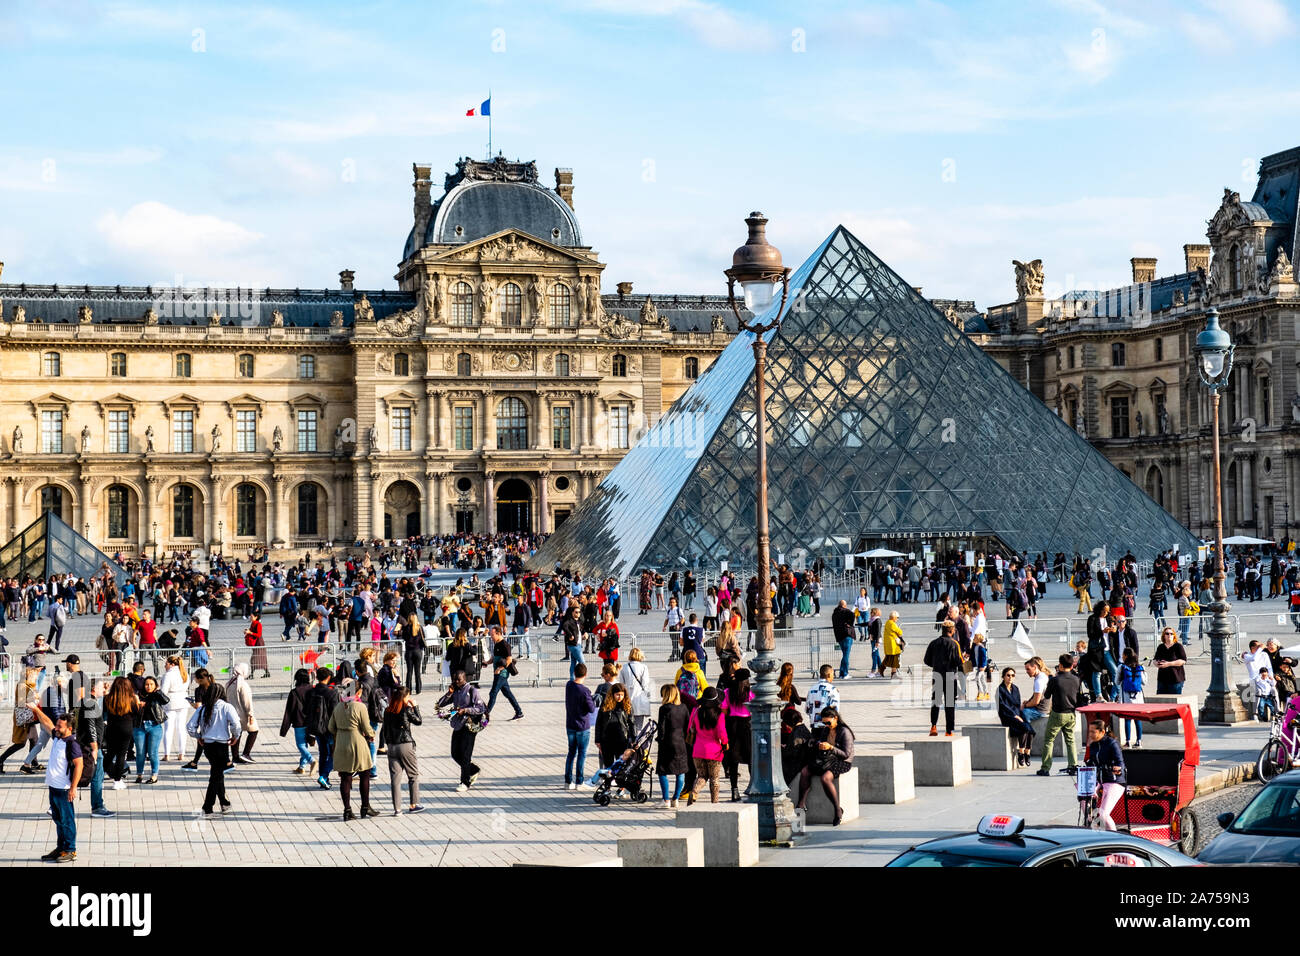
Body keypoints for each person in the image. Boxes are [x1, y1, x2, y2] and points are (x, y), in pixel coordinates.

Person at [30, 700, 82, 862]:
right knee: (59, 820)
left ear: (69, 729)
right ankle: (61, 848)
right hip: (53, 787)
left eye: (60, 726)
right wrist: (36, 710)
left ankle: (70, 850)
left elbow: (79, 765)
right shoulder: (58, 737)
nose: (57, 728)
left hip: (64, 789)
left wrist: (73, 788)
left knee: (67, 820)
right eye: (58, 725)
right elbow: (47, 723)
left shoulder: (72, 744)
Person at [794, 706, 855, 826]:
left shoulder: (844, 732)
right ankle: (801, 804)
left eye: (828, 722)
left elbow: (846, 754)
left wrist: (831, 747)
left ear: (835, 718)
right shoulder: (826, 729)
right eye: (824, 722)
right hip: (826, 759)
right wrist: (818, 744)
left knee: (825, 778)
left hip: (842, 761)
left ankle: (838, 810)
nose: (826, 725)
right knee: (805, 771)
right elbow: (820, 742)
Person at [186, 683, 239, 816]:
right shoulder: (227, 707)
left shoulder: (203, 708)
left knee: (217, 773)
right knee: (215, 776)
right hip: (221, 744)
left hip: (208, 745)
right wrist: (235, 736)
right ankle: (207, 807)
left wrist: (198, 736)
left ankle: (224, 802)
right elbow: (236, 724)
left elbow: (190, 726)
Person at [329, 678, 379, 820]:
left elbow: (330, 727)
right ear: (358, 691)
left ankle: (347, 809)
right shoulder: (359, 707)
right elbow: (366, 727)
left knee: (345, 777)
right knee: (365, 774)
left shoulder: (338, 707)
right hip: (357, 742)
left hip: (341, 743)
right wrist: (371, 735)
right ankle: (365, 806)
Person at [436, 669, 486, 791]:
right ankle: (473, 769)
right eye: (455, 679)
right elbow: (441, 704)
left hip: (469, 726)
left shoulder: (472, 690)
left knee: (465, 755)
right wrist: (449, 693)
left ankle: (465, 782)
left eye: (459, 679)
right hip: (458, 725)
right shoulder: (456, 691)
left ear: (465, 679)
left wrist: (466, 710)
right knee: (455, 753)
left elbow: (480, 708)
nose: (457, 682)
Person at [1037, 653, 1082, 777]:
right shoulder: (1076, 679)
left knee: (1049, 740)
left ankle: (1045, 768)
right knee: (1070, 740)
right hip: (1071, 713)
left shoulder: (1055, 680)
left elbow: (1046, 696)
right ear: (1072, 665)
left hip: (1057, 713)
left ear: (1060, 665)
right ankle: (1072, 766)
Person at [381, 685, 423, 814]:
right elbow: (418, 721)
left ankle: (397, 809)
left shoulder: (388, 711)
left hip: (392, 747)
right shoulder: (406, 709)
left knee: (395, 779)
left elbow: (384, 730)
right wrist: (415, 707)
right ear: (405, 697)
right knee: (413, 775)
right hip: (405, 745)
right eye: (408, 696)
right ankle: (413, 804)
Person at [76, 678, 114, 818]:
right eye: (100, 687)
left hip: (86, 745)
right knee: (96, 777)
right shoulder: (90, 704)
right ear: (93, 689)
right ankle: (97, 806)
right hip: (90, 746)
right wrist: (94, 747)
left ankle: (55, 805)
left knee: (78, 774)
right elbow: (90, 726)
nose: (103, 689)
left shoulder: (88, 701)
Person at [686, 686, 728, 805]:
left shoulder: (696, 711)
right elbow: (721, 733)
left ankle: (694, 792)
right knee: (714, 778)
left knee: (702, 776)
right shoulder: (719, 714)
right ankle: (714, 803)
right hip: (714, 751)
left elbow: (690, 727)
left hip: (698, 750)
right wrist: (725, 743)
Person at [1085, 718, 1127, 831]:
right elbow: (1092, 763)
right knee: (1087, 807)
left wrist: (1118, 768)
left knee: (1103, 814)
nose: (1090, 734)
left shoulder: (1112, 743)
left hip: (1114, 781)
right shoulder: (1093, 745)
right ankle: (1098, 835)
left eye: (1093, 732)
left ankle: (1114, 839)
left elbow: (1120, 763)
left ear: (1102, 732)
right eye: (1089, 731)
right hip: (1100, 780)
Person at [924, 620, 963, 736]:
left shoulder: (933, 643)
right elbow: (959, 661)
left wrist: (935, 665)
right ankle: (949, 730)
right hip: (950, 676)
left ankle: (933, 726)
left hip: (937, 675)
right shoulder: (954, 644)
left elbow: (926, 660)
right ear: (952, 630)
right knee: (950, 704)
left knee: (936, 701)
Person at [564, 662, 598, 791]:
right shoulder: (585, 691)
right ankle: (579, 781)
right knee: (582, 754)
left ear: (574, 673)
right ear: (586, 675)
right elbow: (591, 708)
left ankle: (568, 781)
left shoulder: (569, 685)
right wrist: (593, 699)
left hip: (570, 724)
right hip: (582, 726)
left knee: (571, 752)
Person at [305, 667, 340, 790]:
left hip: (316, 727)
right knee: (334, 754)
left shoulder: (311, 692)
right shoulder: (332, 692)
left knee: (323, 752)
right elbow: (336, 711)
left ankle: (324, 777)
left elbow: (306, 710)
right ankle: (324, 776)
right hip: (329, 727)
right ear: (329, 677)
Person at [721, 668, 753, 802]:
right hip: (747, 725)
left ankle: (734, 790)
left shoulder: (728, 692)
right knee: (751, 757)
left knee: (733, 759)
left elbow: (723, 710)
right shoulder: (750, 693)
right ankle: (753, 787)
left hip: (732, 725)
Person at [655, 684, 688, 808]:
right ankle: (676, 798)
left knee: (662, 771)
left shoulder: (664, 708)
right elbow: (687, 725)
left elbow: (661, 728)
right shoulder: (684, 707)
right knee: (681, 771)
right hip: (680, 742)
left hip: (667, 742)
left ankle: (666, 800)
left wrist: (660, 739)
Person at [131, 675, 167, 784]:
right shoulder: (138, 695)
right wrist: (137, 704)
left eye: (151, 684)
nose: (149, 686)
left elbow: (166, 700)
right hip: (139, 726)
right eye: (147, 684)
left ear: (155, 685)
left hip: (154, 726)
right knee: (140, 752)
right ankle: (139, 775)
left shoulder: (156, 696)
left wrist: (158, 691)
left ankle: (154, 776)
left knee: (152, 753)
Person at [279, 669, 316, 775]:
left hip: (299, 721)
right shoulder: (312, 690)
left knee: (301, 744)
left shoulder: (294, 692)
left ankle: (312, 761)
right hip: (311, 722)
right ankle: (302, 766)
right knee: (305, 744)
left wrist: (284, 729)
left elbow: (289, 711)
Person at [996, 666, 1035, 767]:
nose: (1010, 677)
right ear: (1003, 677)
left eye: (1012, 675)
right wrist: (1014, 715)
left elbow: (1017, 704)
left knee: (1030, 730)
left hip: (1017, 714)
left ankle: (1027, 752)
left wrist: (1020, 715)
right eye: (1008, 675)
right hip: (1007, 716)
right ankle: (1020, 752)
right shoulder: (1000, 690)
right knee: (1024, 728)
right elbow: (1002, 706)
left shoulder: (1015, 688)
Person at [102, 676, 136, 790]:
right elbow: (137, 714)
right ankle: (117, 780)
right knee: (121, 755)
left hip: (111, 728)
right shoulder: (131, 699)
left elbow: (104, 712)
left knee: (110, 753)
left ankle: (102, 773)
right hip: (126, 728)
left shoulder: (107, 699)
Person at [486, 626, 524, 720]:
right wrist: (486, 662)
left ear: (498, 633)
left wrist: (499, 669)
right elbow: (494, 658)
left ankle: (485, 715)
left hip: (501, 674)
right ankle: (519, 712)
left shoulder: (505, 645)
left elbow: (509, 660)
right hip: (497, 673)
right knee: (508, 694)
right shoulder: (496, 644)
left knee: (493, 693)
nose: (491, 637)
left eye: (492, 635)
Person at [595, 683, 634, 771]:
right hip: (607, 741)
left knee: (621, 765)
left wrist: (634, 739)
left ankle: (620, 783)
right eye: (617, 695)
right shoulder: (605, 705)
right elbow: (599, 723)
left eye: (622, 695)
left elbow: (632, 723)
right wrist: (597, 740)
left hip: (622, 740)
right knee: (608, 765)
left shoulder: (627, 705)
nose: (620, 697)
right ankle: (607, 783)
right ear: (612, 694)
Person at [226, 662, 259, 764]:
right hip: (242, 713)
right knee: (254, 731)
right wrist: (250, 714)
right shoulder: (242, 684)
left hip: (232, 713)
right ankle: (246, 754)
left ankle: (235, 756)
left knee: (236, 733)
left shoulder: (229, 683)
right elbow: (247, 701)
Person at [160, 655, 190, 762]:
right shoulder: (185, 673)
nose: (165, 665)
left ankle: (167, 754)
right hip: (183, 701)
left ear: (172, 664)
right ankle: (182, 753)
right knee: (181, 728)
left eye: (166, 663)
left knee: (168, 729)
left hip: (171, 702)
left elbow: (164, 691)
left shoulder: (168, 675)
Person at [618, 646, 654, 736]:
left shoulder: (624, 667)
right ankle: (636, 744)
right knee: (638, 726)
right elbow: (645, 684)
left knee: (627, 724)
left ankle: (628, 743)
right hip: (639, 699)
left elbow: (621, 684)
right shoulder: (643, 667)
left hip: (627, 699)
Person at [1117, 648, 1145, 748]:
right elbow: (1144, 682)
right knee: (1138, 719)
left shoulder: (1122, 667)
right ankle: (1139, 741)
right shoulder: (1140, 667)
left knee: (1127, 719)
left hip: (1127, 697)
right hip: (1138, 698)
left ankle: (1128, 741)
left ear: (1125, 656)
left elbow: (1117, 682)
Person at [780, 706, 811, 785]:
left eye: (786, 723)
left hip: (796, 764)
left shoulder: (795, 734)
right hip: (804, 760)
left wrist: (782, 748)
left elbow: (789, 753)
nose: (786, 726)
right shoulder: (804, 729)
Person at [1153, 626, 1188, 694]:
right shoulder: (1161, 647)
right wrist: (1156, 663)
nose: (1169, 635)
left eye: (1171, 634)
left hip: (1175, 678)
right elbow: (1155, 659)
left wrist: (1168, 664)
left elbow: (1183, 660)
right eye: (1167, 633)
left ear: (1174, 636)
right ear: (1164, 635)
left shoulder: (1178, 646)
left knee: (1174, 700)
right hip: (1162, 678)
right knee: (1161, 701)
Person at [831, 599, 855, 679]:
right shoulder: (845, 611)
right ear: (844, 605)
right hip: (846, 634)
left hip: (839, 635)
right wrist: (850, 624)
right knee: (846, 655)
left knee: (845, 654)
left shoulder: (835, 613)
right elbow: (852, 614)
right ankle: (844, 673)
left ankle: (842, 672)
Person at [244, 611, 270, 679]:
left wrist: (250, 632)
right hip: (255, 643)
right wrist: (247, 632)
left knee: (255, 658)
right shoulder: (253, 623)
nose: (250, 617)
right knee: (258, 658)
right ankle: (266, 672)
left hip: (259, 643)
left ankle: (253, 674)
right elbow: (251, 631)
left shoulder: (258, 624)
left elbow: (258, 634)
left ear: (256, 617)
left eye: (252, 616)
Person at [880, 609, 903, 679]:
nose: (897, 619)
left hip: (891, 644)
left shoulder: (888, 622)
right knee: (893, 659)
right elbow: (899, 631)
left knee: (891, 659)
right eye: (897, 617)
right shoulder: (891, 623)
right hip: (893, 645)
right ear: (894, 617)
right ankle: (892, 673)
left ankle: (885, 671)